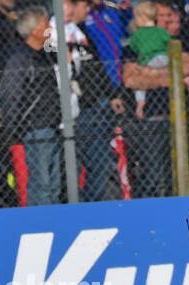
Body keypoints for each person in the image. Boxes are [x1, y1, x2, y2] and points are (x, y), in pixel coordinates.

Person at [121, 0, 189, 197]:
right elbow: (131, 79)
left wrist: (150, 73)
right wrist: (171, 76)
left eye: (170, 18)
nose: (167, 22)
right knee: (153, 173)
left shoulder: (177, 44)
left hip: (181, 120)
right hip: (151, 120)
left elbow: (188, 66)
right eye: (163, 17)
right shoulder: (137, 45)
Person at [0, 6, 60, 205]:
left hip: (54, 125)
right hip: (35, 127)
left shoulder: (46, 54)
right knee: (42, 182)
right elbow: (11, 97)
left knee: (55, 181)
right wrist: (10, 130)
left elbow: (60, 55)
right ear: (33, 30)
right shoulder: (21, 59)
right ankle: (40, 222)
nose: (50, 27)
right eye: (45, 24)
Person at [61, 0, 123, 202]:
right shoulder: (54, 33)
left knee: (102, 163)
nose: (87, 11)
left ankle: (93, 204)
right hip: (82, 109)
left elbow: (98, 67)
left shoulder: (82, 34)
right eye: (83, 6)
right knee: (88, 163)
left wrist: (112, 94)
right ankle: (84, 206)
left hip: (100, 103)